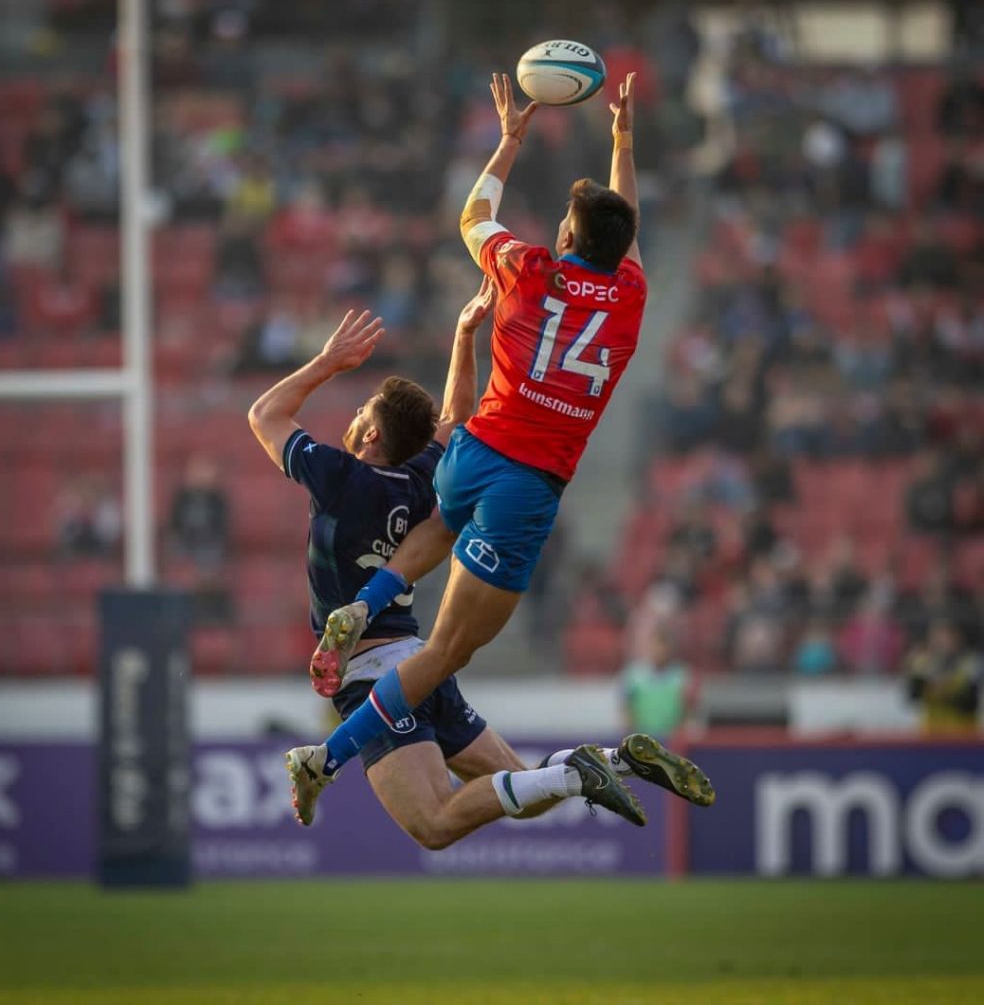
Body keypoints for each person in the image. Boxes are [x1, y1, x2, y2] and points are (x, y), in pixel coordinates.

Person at [290, 74, 696, 820]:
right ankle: (325, 757)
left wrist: (508, 142)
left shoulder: (524, 269)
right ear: (620, 247)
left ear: (566, 238)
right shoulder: (632, 296)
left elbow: (473, 212)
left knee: (441, 525)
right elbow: (624, 225)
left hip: (473, 451)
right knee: (442, 655)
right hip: (526, 485)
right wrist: (624, 142)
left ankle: (365, 604)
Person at [248, 282, 709, 845]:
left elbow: (266, 413)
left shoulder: (337, 475)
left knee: (435, 825)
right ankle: (611, 764)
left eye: (362, 411)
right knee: (527, 793)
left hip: (371, 677)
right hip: (419, 661)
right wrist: (465, 336)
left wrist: (328, 361)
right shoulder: (422, 480)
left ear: (370, 433)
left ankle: (578, 774)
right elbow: (455, 418)